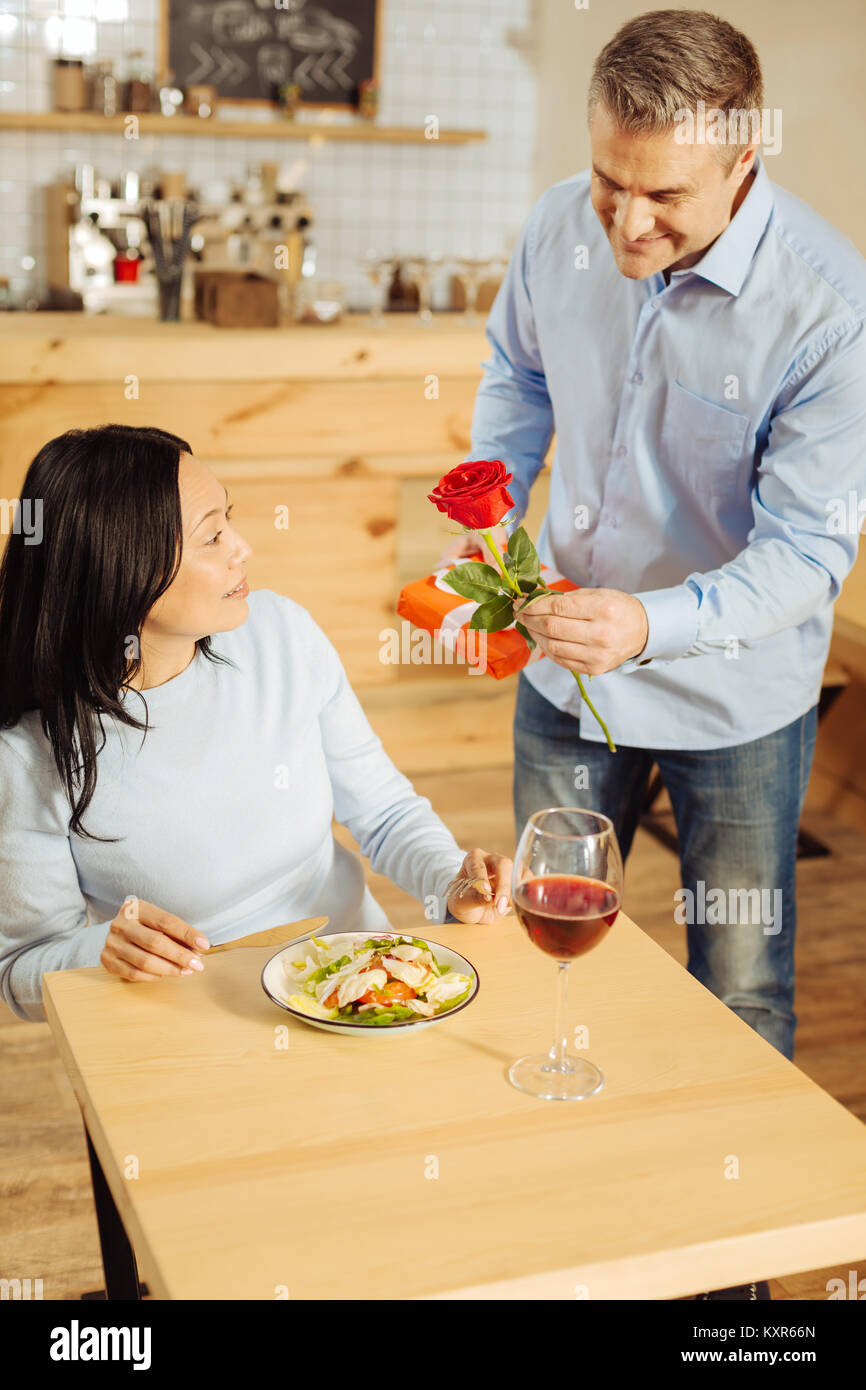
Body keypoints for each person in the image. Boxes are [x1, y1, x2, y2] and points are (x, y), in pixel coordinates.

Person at [438, 9, 866, 1298]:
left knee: (736, 984)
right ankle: (562, 1225)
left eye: (662, 197)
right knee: (546, 950)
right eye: (606, 182)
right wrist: (492, 504)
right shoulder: (556, 228)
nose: (624, 225)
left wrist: (648, 623)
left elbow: (808, 554)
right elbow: (515, 375)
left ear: (742, 159)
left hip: (735, 705)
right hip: (562, 683)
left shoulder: (828, 307)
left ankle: (727, 1283)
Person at [0, 425, 513, 1025]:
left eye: (230, 519)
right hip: (198, 1023)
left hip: (365, 988)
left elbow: (385, 813)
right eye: (212, 536)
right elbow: (20, 969)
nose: (242, 548)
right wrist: (100, 951)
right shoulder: (29, 753)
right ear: (123, 568)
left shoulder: (280, 633)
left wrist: (449, 883)